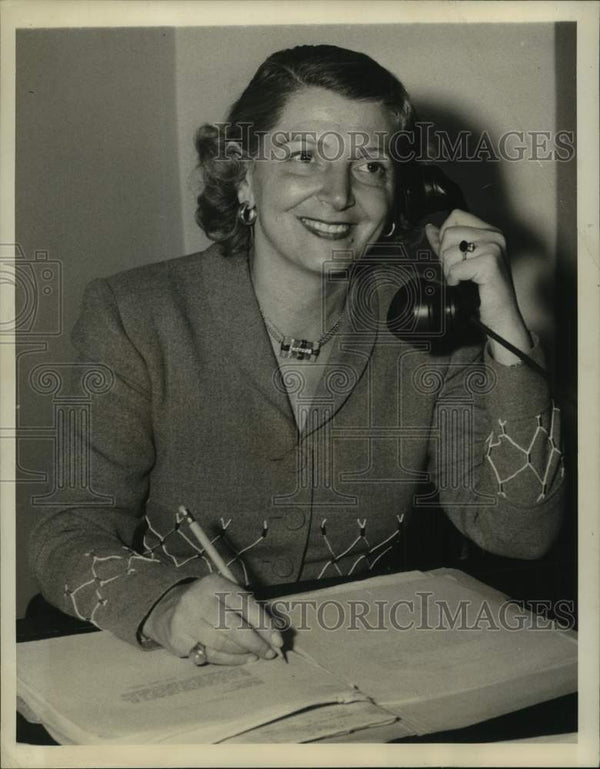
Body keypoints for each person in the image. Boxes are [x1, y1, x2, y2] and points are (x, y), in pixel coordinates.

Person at [30, 44, 564, 667]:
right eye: (304, 157)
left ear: (401, 194)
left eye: (371, 166)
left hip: (362, 660)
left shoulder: (430, 330)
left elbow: (519, 534)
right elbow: (64, 533)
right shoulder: (134, 313)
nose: (339, 195)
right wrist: (168, 604)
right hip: (177, 660)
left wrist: (504, 325)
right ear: (244, 174)